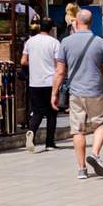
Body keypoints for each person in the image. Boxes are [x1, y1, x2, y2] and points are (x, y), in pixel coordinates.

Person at [51, 9, 103, 179]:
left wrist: (54, 93)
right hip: (96, 91)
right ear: (91, 22)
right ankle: (94, 153)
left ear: (77, 22)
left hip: (75, 93)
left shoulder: (65, 42)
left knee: (77, 130)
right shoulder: (100, 42)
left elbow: (59, 72)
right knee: (101, 124)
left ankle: (81, 169)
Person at [21, 18, 61, 153]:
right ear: (51, 29)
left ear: (39, 27)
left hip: (34, 82)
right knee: (52, 113)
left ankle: (31, 132)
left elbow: (23, 61)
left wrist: (35, 63)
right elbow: (58, 63)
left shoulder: (30, 42)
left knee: (37, 111)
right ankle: (49, 143)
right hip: (50, 81)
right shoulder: (55, 43)